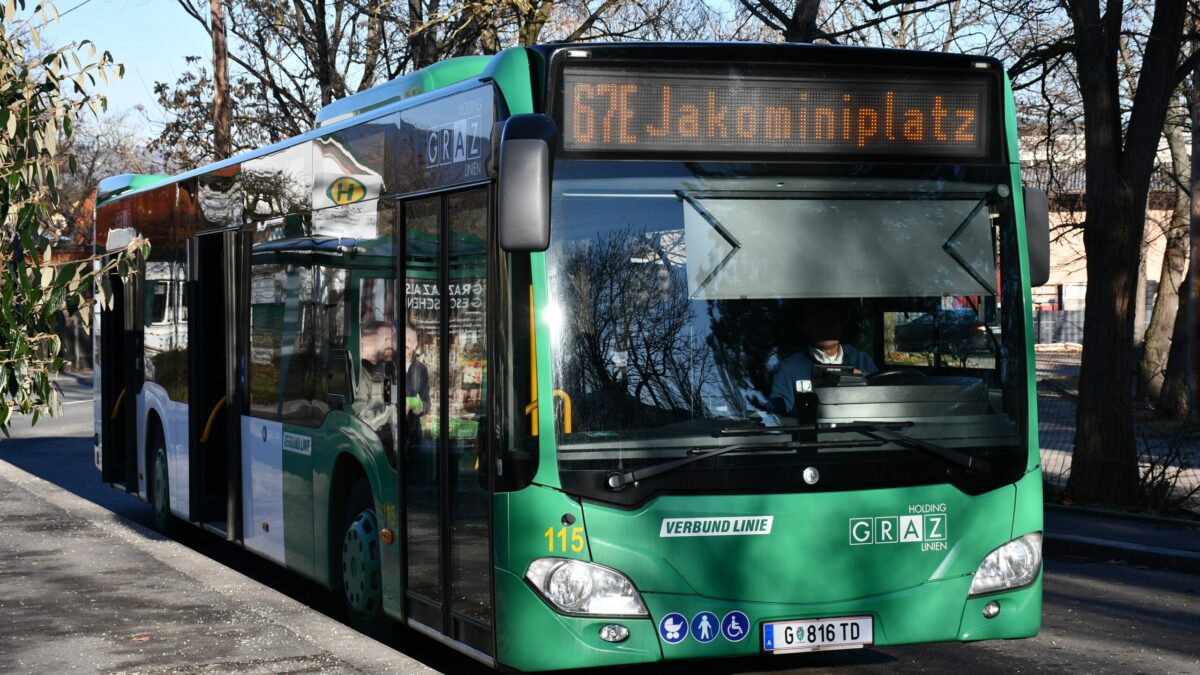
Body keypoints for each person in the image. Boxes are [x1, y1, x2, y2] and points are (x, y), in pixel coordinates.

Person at [769, 300, 878, 413]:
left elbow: (881, 401)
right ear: (808, 328)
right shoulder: (789, 369)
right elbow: (780, 417)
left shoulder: (862, 361)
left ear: (841, 324)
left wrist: (862, 378)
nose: (825, 328)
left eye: (831, 322)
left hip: (859, 430)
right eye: (818, 323)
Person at [404, 324, 431, 445]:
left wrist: (421, 407)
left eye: (410, 340)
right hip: (390, 429)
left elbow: (427, 403)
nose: (406, 343)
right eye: (404, 338)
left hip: (413, 430)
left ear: (415, 345)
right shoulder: (389, 365)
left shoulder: (421, 369)